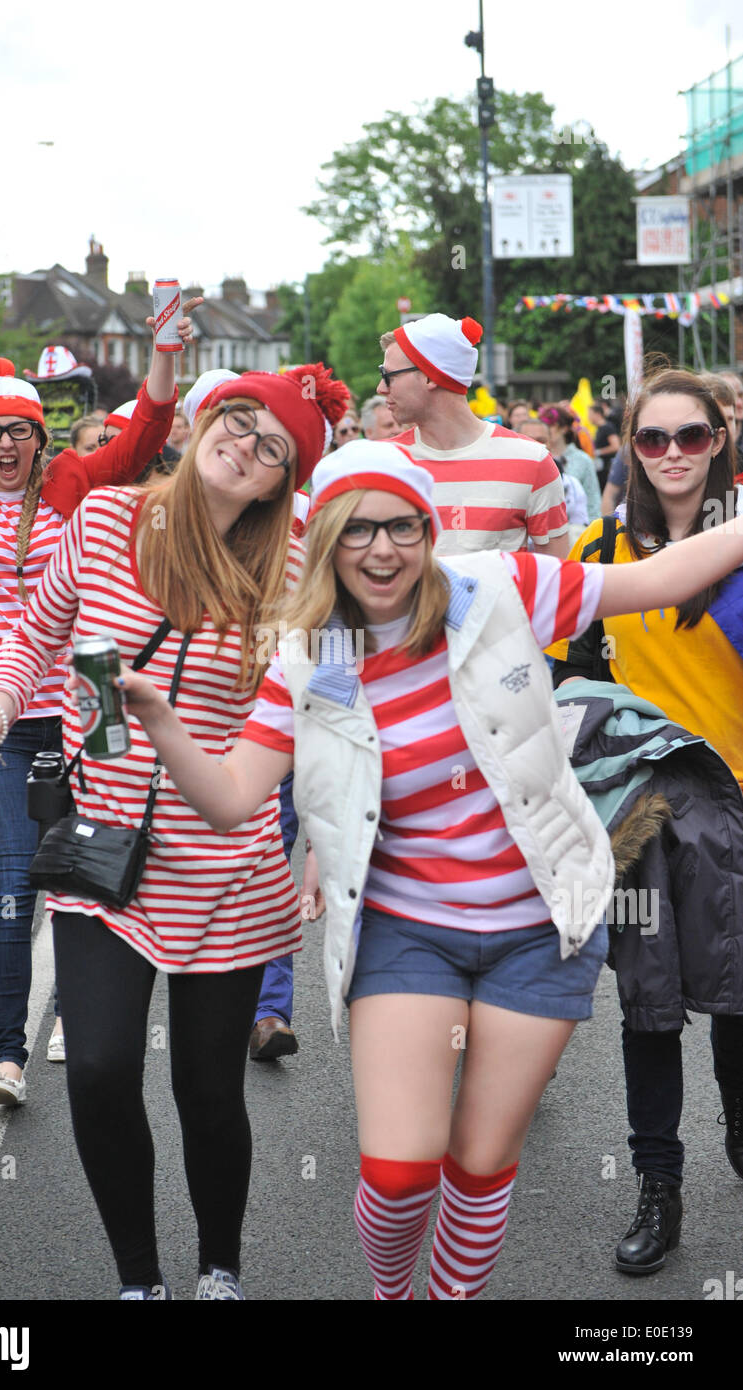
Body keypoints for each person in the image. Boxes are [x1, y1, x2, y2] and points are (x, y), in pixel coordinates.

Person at [106, 435, 743, 1300]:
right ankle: (391, 1293)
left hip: (538, 927)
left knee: (480, 1167)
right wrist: (161, 721)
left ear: (429, 529)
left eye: (401, 527)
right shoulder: (308, 658)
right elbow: (229, 798)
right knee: (402, 1176)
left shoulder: (501, 590)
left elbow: (660, 578)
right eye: (358, 531)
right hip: (407, 934)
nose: (382, 550)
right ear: (326, 539)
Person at [0, 361, 350, 1300]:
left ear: (283, 478)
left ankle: (219, 1266)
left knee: (207, 1092)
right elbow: (36, 634)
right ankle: (140, 1280)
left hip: (227, 860)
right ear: (207, 414)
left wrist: (325, 835)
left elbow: (328, 710)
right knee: (95, 1066)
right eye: (238, 420)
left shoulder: (295, 561)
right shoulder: (105, 519)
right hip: (102, 845)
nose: (242, 445)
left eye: (270, 446)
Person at [0, 308, 195, 1103]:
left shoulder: (75, 483)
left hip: (84, 715)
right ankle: (7, 1058)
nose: (8, 446)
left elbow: (147, 432)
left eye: (22, 431)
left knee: (88, 882)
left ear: (40, 438)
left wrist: (162, 354)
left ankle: (78, 1019)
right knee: (9, 886)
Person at [549, 364, 743, 1274]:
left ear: (719, 443)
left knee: (742, 999)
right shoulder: (596, 552)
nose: (672, 454)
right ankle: (657, 1186)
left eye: (691, 436)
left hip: (739, 806)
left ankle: (740, 1134)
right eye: (653, 439)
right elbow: (556, 681)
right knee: (647, 1010)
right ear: (630, 448)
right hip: (639, 820)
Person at [378, 313, 570, 557]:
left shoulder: (533, 462)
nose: (381, 388)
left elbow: (556, 581)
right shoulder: (382, 462)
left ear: (429, 376)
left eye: (389, 376)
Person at [520, 418, 589, 543]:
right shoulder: (502, 483)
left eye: (541, 440)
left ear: (550, 443)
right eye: (528, 439)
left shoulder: (571, 485)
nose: (536, 445)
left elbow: (579, 529)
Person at [538, 404, 601, 521]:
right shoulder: (537, 456)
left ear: (564, 428)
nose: (546, 429)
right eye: (543, 425)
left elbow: (593, 500)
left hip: (575, 530)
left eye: (551, 425)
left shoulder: (583, 460)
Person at [589, 400, 621, 489]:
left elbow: (616, 446)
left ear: (598, 414)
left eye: (590, 414)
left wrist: (599, 452)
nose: (588, 417)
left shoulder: (607, 427)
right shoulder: (599, 428)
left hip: (608, 468)